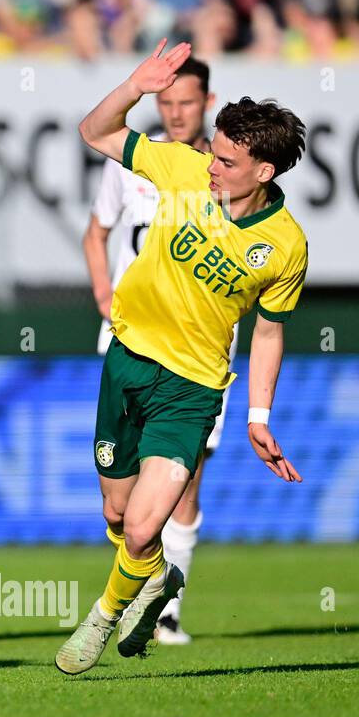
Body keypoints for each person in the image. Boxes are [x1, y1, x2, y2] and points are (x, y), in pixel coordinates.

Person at [60, 38, 308, 675]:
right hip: (127, 361)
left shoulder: (285, 246)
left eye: (226, 159)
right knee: (117, 516)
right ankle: (157, 580)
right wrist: (135, 84)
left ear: (264, 172)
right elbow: (95, 130)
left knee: (144, 528)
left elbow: (271, 332)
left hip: (193, 389)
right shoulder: (179, 168)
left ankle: (101, 620)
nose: (212, 165)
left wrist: (257, 414)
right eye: (214, 152)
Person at [83, 56, 228, 645]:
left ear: (207, 103)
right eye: (166, 102)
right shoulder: (137, 159)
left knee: (184, 481)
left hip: (196, 347)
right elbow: (97, 232)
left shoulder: (226, 176)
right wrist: (101, 289)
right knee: (118, 499)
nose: (174, 111)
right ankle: (147, 580)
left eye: (185, 102)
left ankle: (166, 613)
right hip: (130, 336)